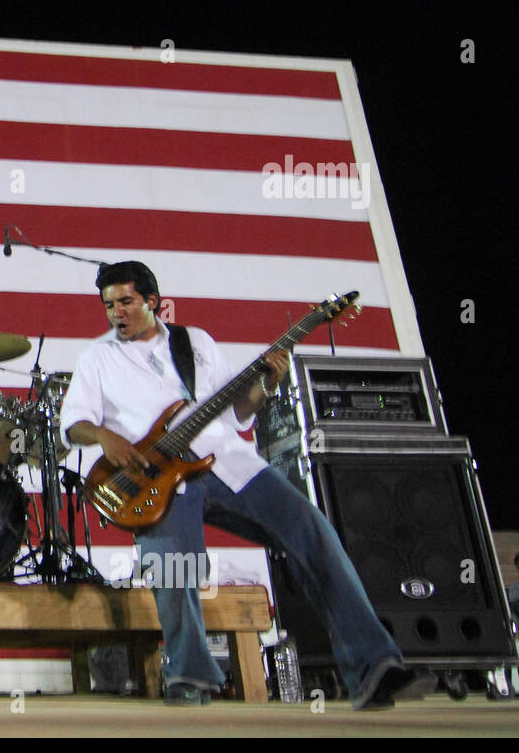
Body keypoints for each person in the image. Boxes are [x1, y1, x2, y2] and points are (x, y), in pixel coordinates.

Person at [58, 261, 436, 709]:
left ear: (153, 301)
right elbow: (74, 424)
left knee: (314, 533)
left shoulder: (195, 342)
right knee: (174, 570)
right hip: (155, 481)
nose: (116, 313)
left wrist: (267, 385)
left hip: (227, 462)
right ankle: (189, 675)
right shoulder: (97, 358)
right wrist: (105, 436)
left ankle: (374, 669)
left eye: (125, 302)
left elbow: (237, 412)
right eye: (109, 306)